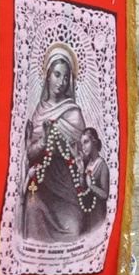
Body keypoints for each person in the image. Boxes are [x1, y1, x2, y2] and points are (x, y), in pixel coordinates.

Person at [22, 44, 89, 242]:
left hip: (67, 192)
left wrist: (63, 143)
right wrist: (44, 140)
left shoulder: (74, 113)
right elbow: (30, 154)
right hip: (42, 190)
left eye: (65, 77)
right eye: (57, 75)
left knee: (73, 231)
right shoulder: (38, 112)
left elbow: (81, 157)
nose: (61, 82)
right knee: (32, 212)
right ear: (48, 75)